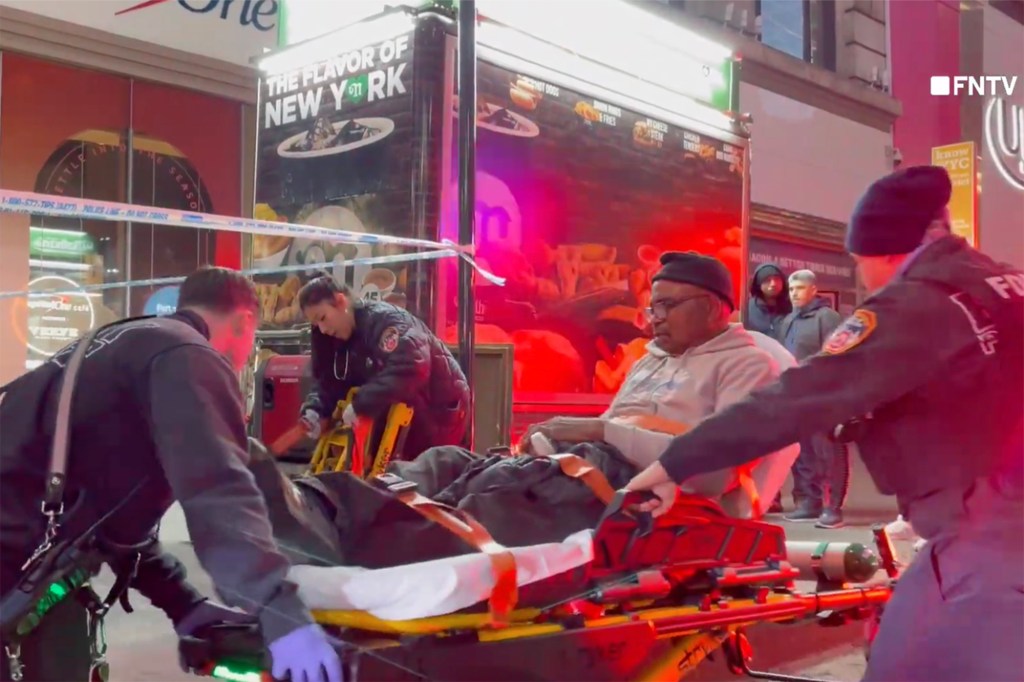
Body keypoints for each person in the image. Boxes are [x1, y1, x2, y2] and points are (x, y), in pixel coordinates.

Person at [625, 166, 1024, 681]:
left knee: (909, 661)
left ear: (885, 252)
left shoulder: (917, 304)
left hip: (989, 530)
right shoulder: (1004, 282)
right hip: (990, 518)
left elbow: (799, 397)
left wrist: (673, 462)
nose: (862, 276)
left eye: (859, 263)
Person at [0, 267, 342, 682]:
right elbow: (217, 489)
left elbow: (110, 517)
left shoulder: (121, 344)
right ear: (243, 322)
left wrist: (182, 603)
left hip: (25, 567)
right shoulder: (186, 355)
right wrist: (278, 609)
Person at [520, 252, 799, 517]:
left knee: (513, 494)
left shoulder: (749, 366)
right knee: (495, 475)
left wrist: (601, 430)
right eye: (654, 308)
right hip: (601, 479)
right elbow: (610, 428)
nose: (657, 318)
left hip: (662, 504)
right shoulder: (648, 361)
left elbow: (715, 474)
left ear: (713, 309)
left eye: (669, 305)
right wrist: (566, 437)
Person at [298, 275, 470, 460]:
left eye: (323, 318)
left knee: (422, 479)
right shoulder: (334, 338)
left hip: (437, 411)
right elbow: (329, 380)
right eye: (316, 324)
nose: (322, 329)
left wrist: (361, 404)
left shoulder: (385, 321)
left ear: (340, 301)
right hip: (402, 421)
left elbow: (412, 366)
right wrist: (315, 410)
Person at [778, 269, 850, 528]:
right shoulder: (788, 322)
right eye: (791, 289)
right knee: (803, 454)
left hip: (822, 397)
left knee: (828, 453)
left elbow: (838, 356)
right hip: (796, 397)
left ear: (813, 290)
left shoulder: (827, 318)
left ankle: (833, 508)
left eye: (799, 288)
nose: (794, 293)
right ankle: (810, 502)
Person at [744, 263, 792, 339]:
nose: (773, 284)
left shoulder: (791, 308)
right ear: (759, 284)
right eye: (767, 280)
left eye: (777, 279)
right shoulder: (747, 308)